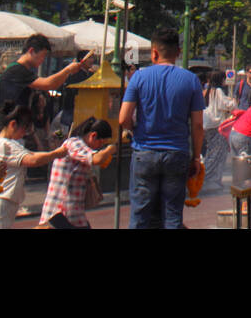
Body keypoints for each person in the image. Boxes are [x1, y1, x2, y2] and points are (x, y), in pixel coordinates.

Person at [119, 27, 206, 230]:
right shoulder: (191, 80)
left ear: (154, 53)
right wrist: (196, 157)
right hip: (177, 154)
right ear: (178, 52)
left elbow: (123, 118)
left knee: (140, 215)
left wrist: (133, 129)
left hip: (144, 151)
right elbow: (198, 125)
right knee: (172, 216)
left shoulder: (139, 77)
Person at [0, 101, 67, 229]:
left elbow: (33, 154)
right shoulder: (4, 145)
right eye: (25, 128)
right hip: (0, 203)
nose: (25, 133)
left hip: (5, 203)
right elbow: (32, 160)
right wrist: (56, 153)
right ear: (13, 124)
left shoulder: (9, 143)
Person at [0, 35, 96, 131]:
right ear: (31, 51)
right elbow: (47, 84)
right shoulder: (17, 70)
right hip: (6, 128)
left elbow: (53, 85)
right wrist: (67, 70)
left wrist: (68, 72)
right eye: (43, 55)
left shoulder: (22, 70)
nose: (43, 60)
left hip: (16, 128)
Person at [38, 116, 116, 229]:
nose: (101, 146)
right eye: (101, 143)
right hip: (60, 209)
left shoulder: (79, 144)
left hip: (73, 211)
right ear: (93, 136)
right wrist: (111, 148)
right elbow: (97, 159)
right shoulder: (75, 144)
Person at [202, 74, 236, 193]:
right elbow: (226, 105)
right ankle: (211, 178)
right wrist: (234, 101)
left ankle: (207, 177)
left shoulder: (207, 91)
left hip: (208, 125)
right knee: (218, 152)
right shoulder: (218, 91)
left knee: (211, 151)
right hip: (217, 126)